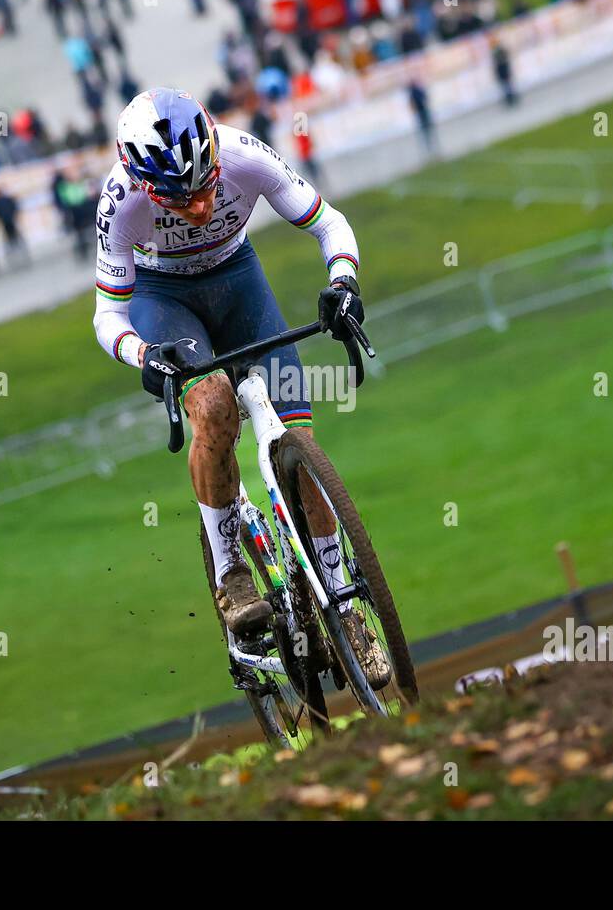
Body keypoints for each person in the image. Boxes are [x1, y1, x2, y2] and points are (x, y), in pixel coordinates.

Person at [91, 88, 390, 685]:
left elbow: (329, 223)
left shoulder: (246, 155)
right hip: (163, 301)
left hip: (239, 282)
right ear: (145, 187)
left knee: (298, 443)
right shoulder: (118, 204)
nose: (200, 208)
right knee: (215, 407)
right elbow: (107, 317)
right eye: (181, 200)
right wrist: (145, 356)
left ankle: (344, 599)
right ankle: (231, 576)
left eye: (207, 187)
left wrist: (344, 283)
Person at [0, 186, 28, 263]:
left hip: (5, 221)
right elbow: (14, 206)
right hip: (11, 219)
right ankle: (19, 247)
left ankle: (13, 248)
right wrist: (14, 214)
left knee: (9, 236)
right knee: (15, 234)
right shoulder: (7, 199)